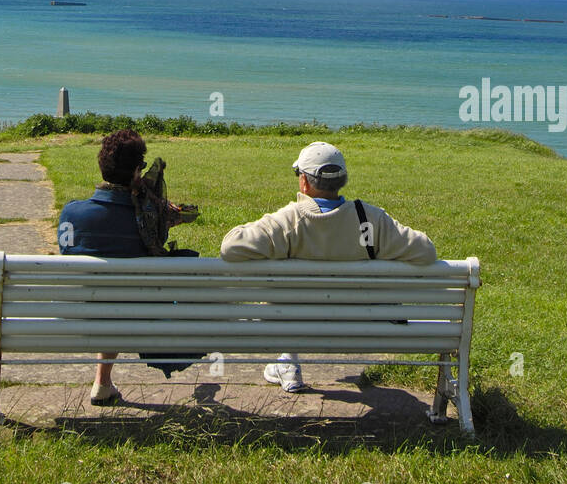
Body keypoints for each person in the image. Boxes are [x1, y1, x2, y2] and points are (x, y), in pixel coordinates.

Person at [219, 141, 437, 394]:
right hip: (361, 326)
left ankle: (287, 360)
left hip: (291, 325)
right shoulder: (369, 220)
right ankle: (286, 361)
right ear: (342, 180)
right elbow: (426, 251)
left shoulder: (289, 222)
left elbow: (230, 247)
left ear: (304, 182)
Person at [57, 128, 199, 405]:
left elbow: (67, 251)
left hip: (82, 312)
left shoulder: (71, 213)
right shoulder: (150, 220)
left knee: (107, 292)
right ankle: (102, 382)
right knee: (119, 296)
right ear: (136, 172)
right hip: (137, 316)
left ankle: (103, 382)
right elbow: (186, 217)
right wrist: (154, 202)